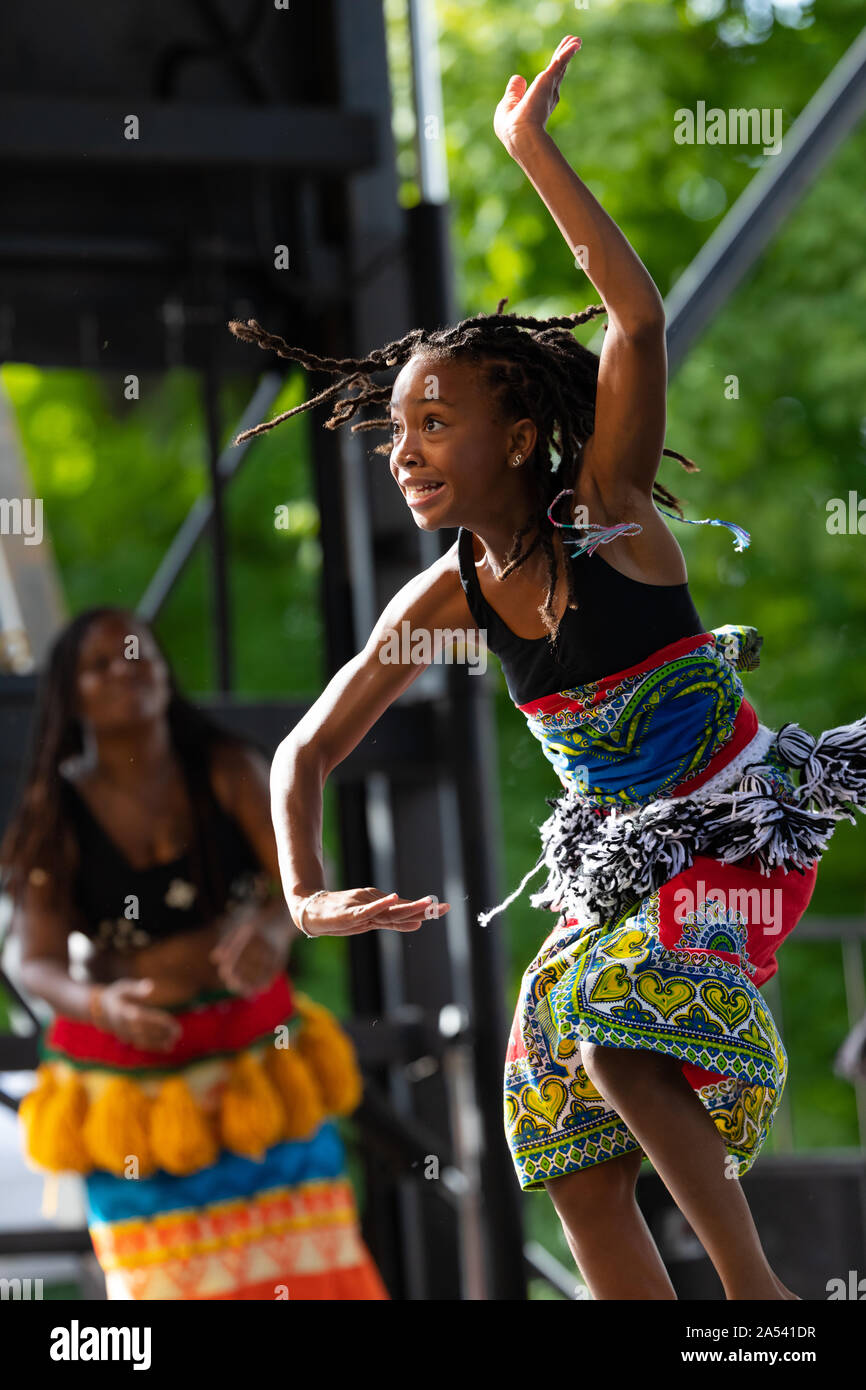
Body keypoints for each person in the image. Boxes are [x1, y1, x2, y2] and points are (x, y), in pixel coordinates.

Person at [229, 37, 866, 1300]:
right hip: (619, 869)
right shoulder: (444, 599)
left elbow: (632, 317)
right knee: (555, 1106)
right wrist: (303, 892)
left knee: (612, 1023)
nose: (401, 451)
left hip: (728, 834)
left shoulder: (611, 513)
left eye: (433, 421)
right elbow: (304, 750)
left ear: (519, 433)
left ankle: (761, 1306)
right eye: (393, 429)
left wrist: (533, 154)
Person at [2, 606, 388, 1300]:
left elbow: (300, 878)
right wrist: (98, 1003)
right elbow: (32, 960)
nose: (125, 667)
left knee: (314, 1271)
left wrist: (271, 933)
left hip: (253, 1062)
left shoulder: (227, 768)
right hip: (131, 1094)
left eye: (137, 651)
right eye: (99, 665)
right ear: (71, 697)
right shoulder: (57, 812)